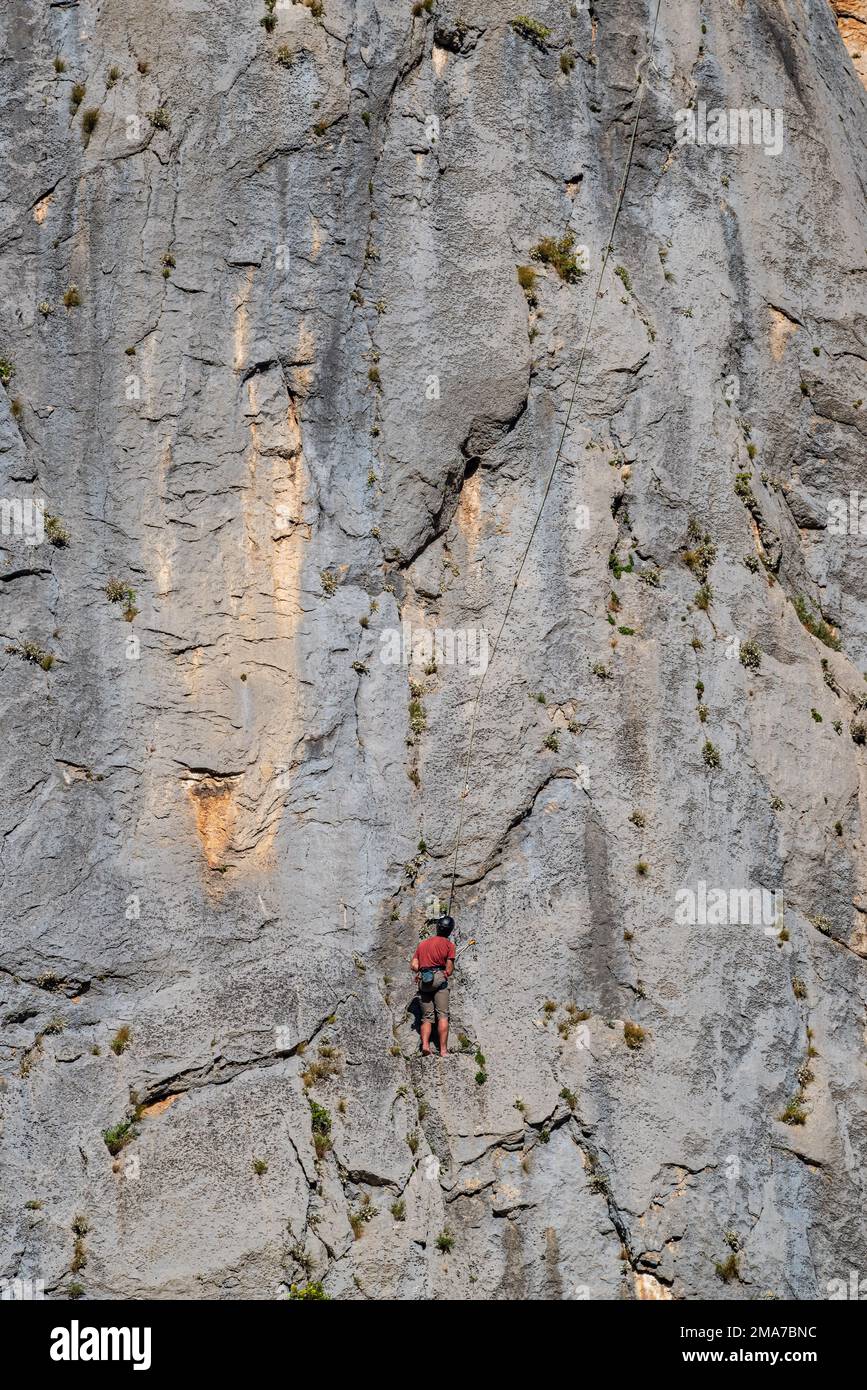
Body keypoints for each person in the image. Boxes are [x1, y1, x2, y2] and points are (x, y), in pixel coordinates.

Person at [411, 915, 455, 1056]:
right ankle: (443, 1050)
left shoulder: (423, 944)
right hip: (439, 980)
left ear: (437, 927)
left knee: (426, 1017)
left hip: (424, 981)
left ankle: (425, 1045)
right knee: (442, 1016)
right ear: (450, 930)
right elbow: (449, 970)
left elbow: (414, 965)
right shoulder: (449, 945)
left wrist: (423, 970)